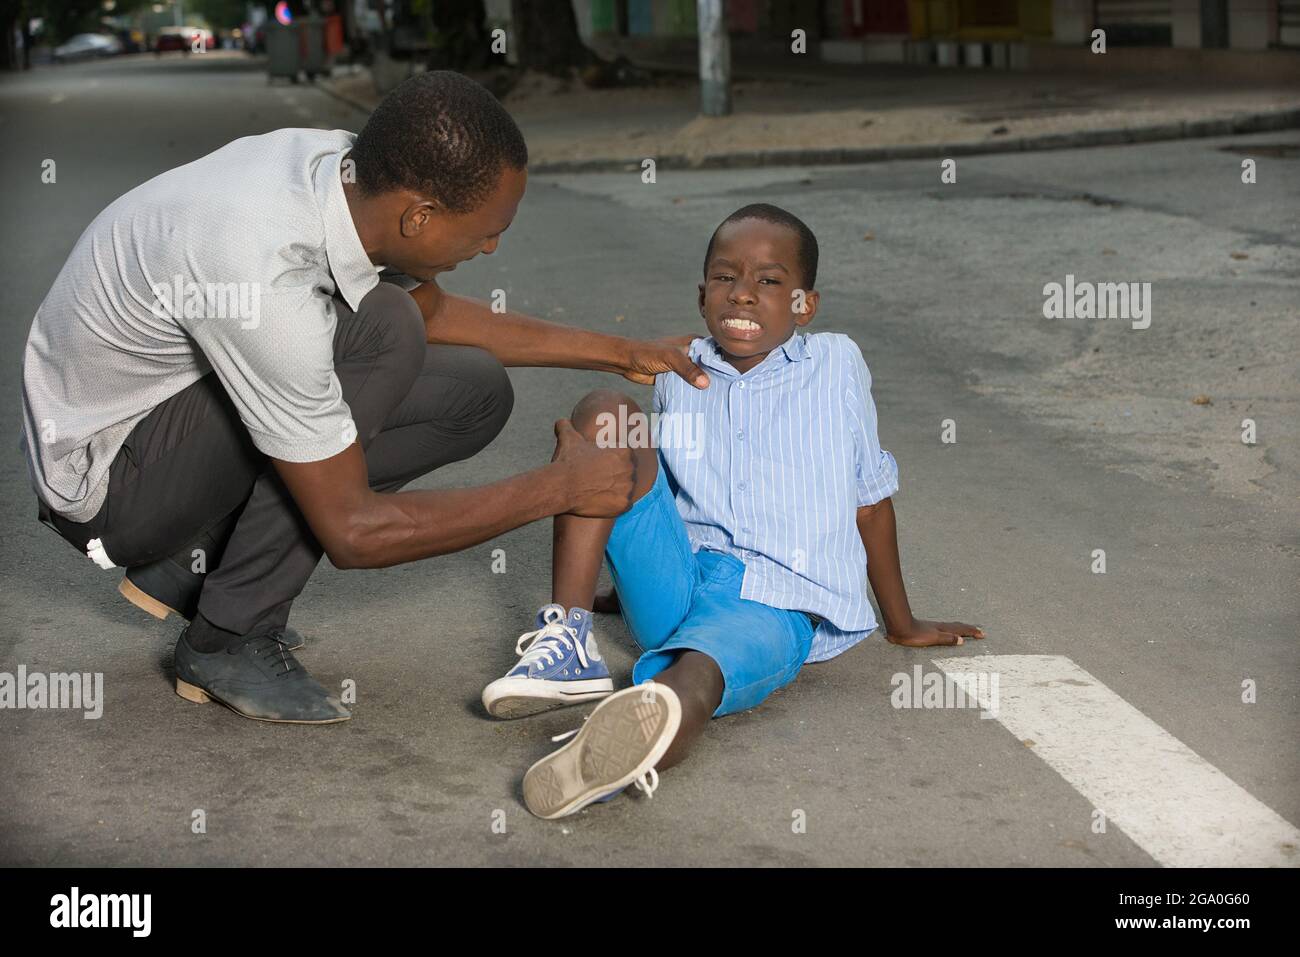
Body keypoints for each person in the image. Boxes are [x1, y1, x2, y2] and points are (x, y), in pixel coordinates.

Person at [19, 71, 708, 725]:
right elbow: (353, 531)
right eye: (486, 229)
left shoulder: (346, 169)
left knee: (471, 391)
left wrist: (623, 352)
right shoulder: (261, 275)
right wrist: (560, 487)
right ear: (420, 216)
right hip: (108, 483)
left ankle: (195, 560)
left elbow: (436, 314)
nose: (494, 246)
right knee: (386, 330)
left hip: (168, 412)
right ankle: (227, 637)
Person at [480, 204, 984, 819]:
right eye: (725, 278)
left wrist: (899, 621)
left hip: (775, 601)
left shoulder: (834, 365)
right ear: (702, 295)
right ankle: (570, 637)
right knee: (604, 409)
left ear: (804, 304)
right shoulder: (679, 370)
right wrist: (621, 576)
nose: (742, 294)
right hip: (679, 581)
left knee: (698, 677)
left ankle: (614, 753)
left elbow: (870, 499)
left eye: (769, 282)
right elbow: (649, 486)